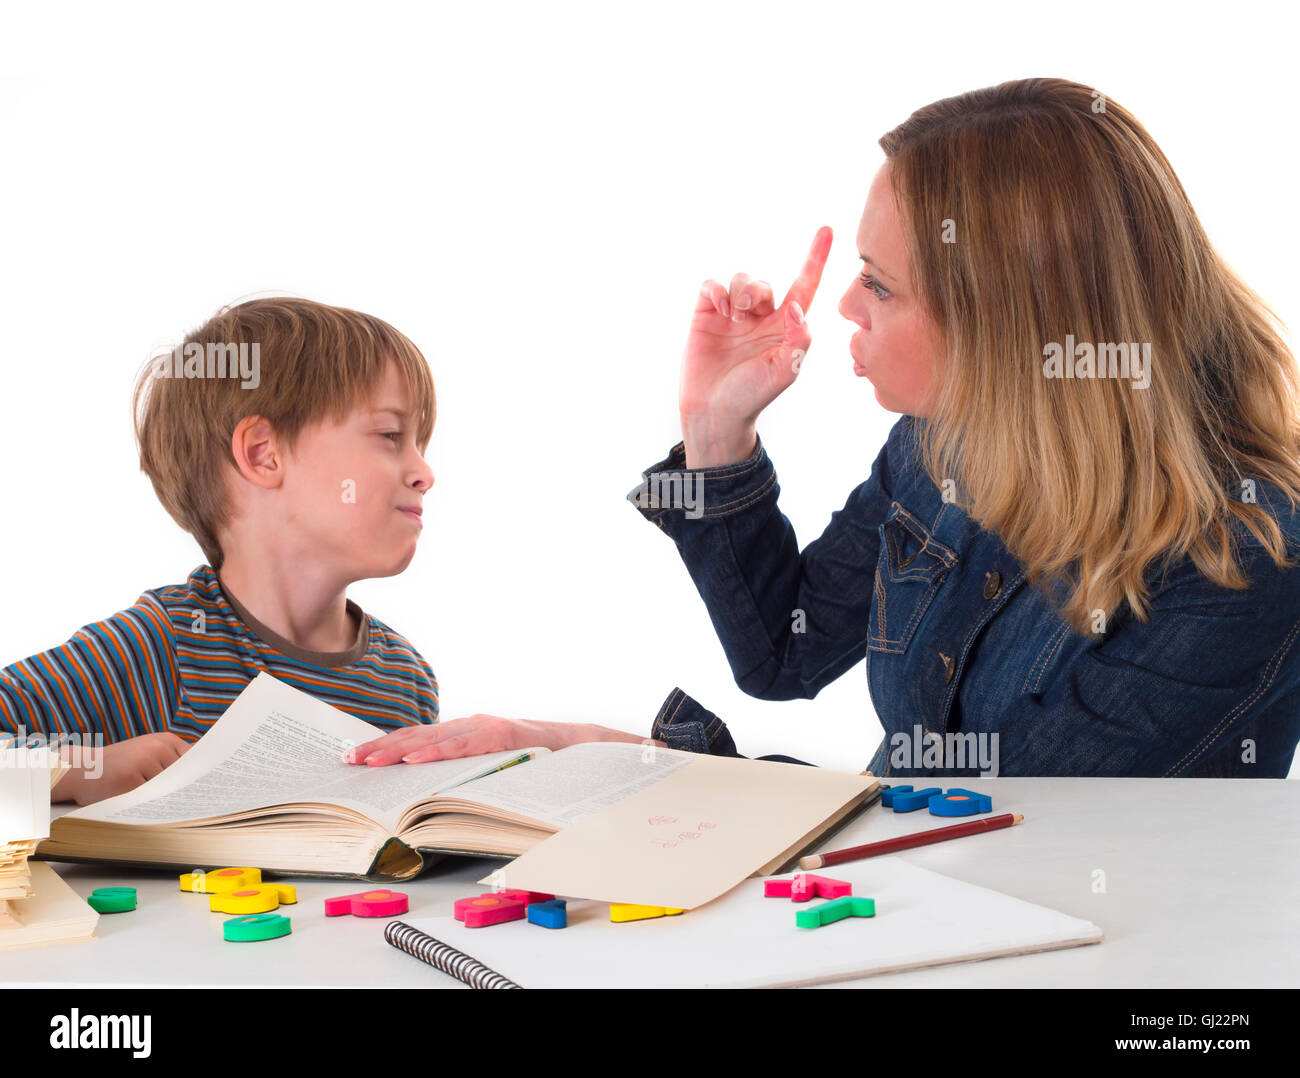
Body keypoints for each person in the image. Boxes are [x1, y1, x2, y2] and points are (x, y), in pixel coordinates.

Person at [627, 77, 1300, 778]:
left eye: (880, 285)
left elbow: (1004, 827)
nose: (847, 306)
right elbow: (784, 656)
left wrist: (675, 776)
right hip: (898, 876)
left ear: (1007, 328)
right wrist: (715, 432)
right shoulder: (939, 447)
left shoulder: (1246, 560)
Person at [0, 297, 647, 806]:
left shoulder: (406, 679)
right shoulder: (164, 644)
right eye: (391, 435)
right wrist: (76, 768)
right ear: (263, 454)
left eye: (420, 442)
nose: (423, 471)